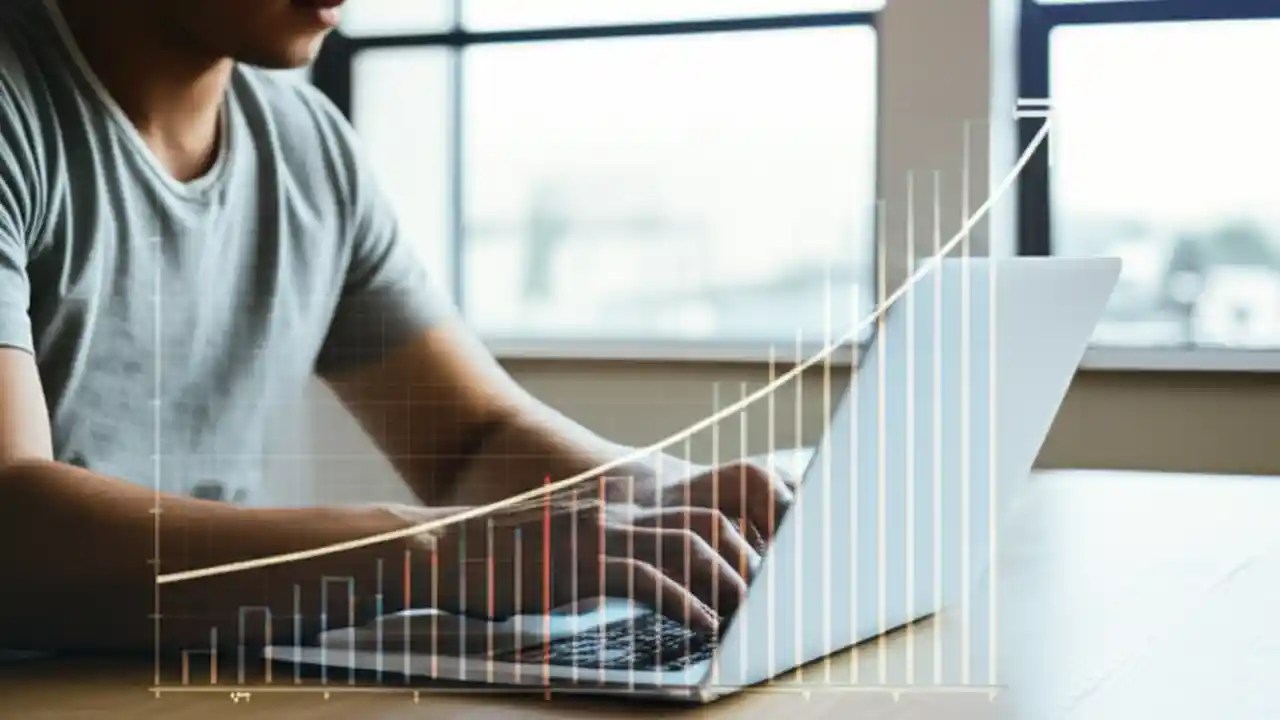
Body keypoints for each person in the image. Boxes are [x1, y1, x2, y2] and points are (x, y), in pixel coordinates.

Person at [0, 0, 793, 654]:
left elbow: (472, 440)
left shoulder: (309, 151)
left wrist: (672, 499)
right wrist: (432, 554)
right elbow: (14, 520)